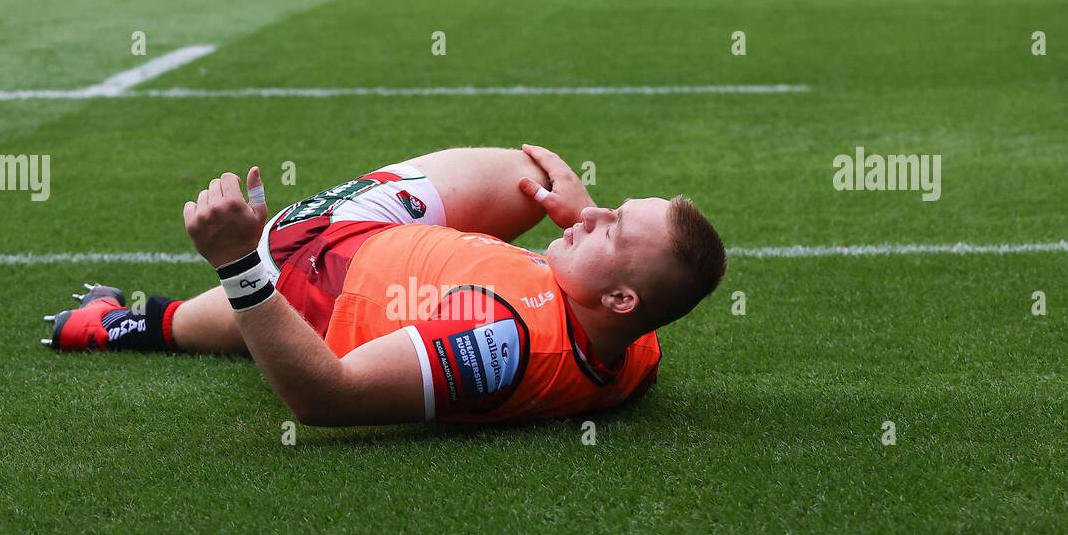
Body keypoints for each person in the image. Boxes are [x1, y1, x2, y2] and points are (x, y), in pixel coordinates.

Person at [41, 145, 726, 426]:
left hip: (318, 262)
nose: (595, 214)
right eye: (612, 209)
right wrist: (588, 230)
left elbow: (326, 397)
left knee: (526, 173)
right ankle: (130, 324)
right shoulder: (635, 347)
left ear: (621, 299)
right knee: (544, 185)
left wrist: (241, 263)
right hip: (392, 272)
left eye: (611, 228)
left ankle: (166, 313)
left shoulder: (502, 338)